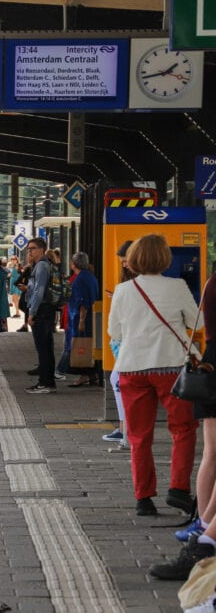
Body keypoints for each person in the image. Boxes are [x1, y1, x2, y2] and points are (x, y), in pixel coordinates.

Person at [107, 234, 201, 518]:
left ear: (133, 259)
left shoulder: (123, 290)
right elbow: (199, 321)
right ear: (165, 259)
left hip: (132, 368)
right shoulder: (177, 286)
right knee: (183, 430)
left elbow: (115, 333)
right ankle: (179, 490)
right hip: (171, 367)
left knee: (138, 435)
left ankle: (143, 498)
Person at [149, 265, 216, 580]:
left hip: (210, 367)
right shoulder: (182, 286)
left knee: (211, 453)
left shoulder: (211, 281)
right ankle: (204, 543)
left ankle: (204, 528)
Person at [104, 240, 135, 447]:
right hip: (133, 344)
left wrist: (118, 300)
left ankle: (127, 431)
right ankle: (126, 430)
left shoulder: (127, 288)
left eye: (125, 261)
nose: (123, 265)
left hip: (129, 343)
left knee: (119, 381)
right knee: (119, 381)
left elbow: (113, 329)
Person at [59, 252, 100, 388]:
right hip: (86, 318)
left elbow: (83, 302)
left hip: (80, 318)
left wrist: (81, 321)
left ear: (74, 264)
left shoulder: (80, 279)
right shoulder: (89, 276)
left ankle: (84, 375)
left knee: (81, 346)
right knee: (87, 346)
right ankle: (91, 375)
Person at [24, 238, 58, 394]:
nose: (29, 251)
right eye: (28, 249)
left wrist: (32, 313)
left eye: (32, 248)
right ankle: (47, 381)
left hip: (42, 311)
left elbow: (39, 291)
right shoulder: (41, 265)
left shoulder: (42, 266)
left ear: (42, 249)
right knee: (46, 347)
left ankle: (45, 383)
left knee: (43, 348)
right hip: (45, 310)